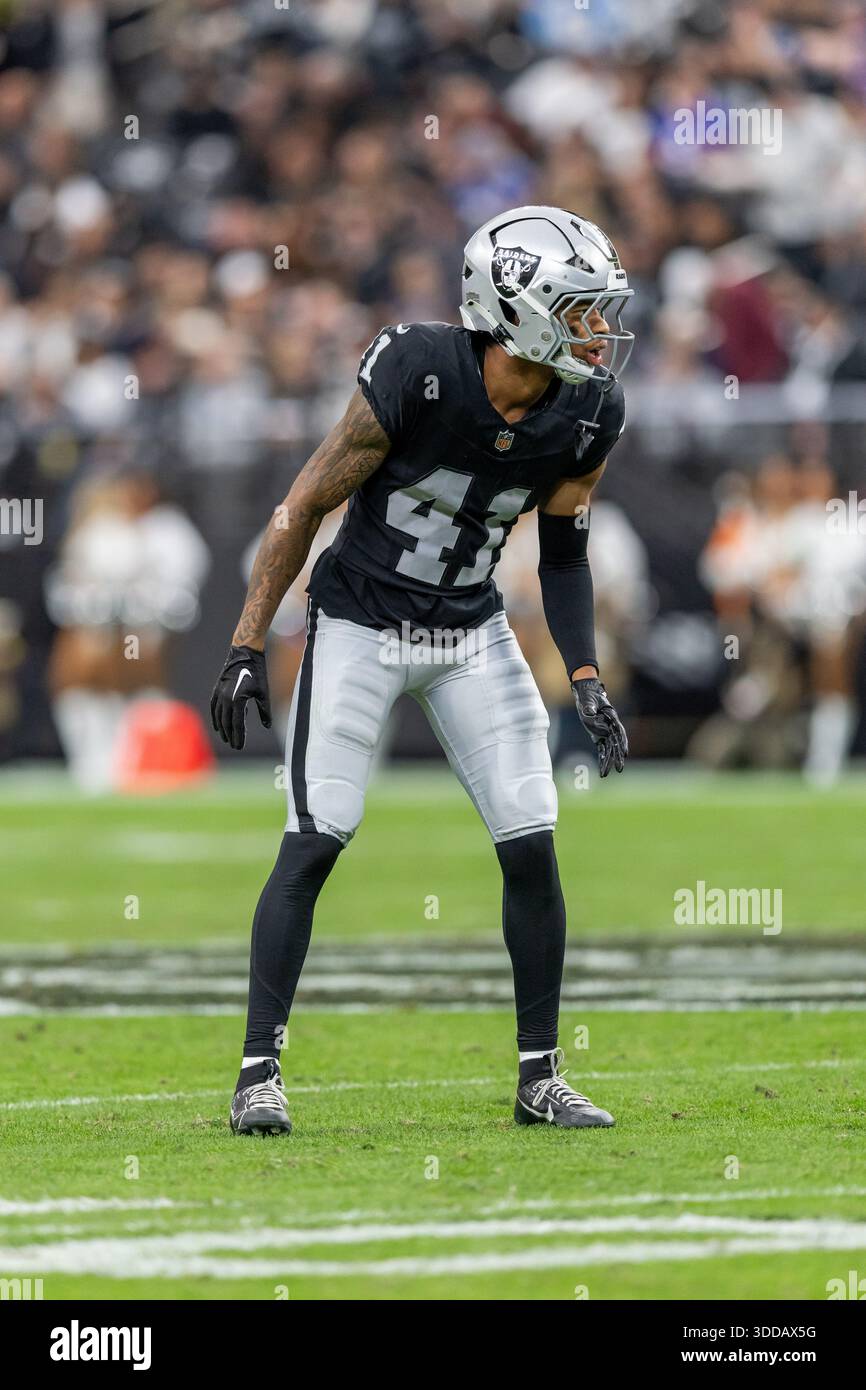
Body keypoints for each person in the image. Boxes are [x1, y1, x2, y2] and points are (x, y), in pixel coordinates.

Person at [210, 206, 632, 1135]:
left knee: (531, 835)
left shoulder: (589, 407)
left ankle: (539, 1076)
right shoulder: (420, 369)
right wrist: (247, 641)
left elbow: (562, 556)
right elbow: (306, 501)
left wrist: (589, 676)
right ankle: (256, 1073)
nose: (599, 331)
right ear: (518, 310)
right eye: (581, 309)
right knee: (319, 834)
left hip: (471, 631)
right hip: (360, 619)